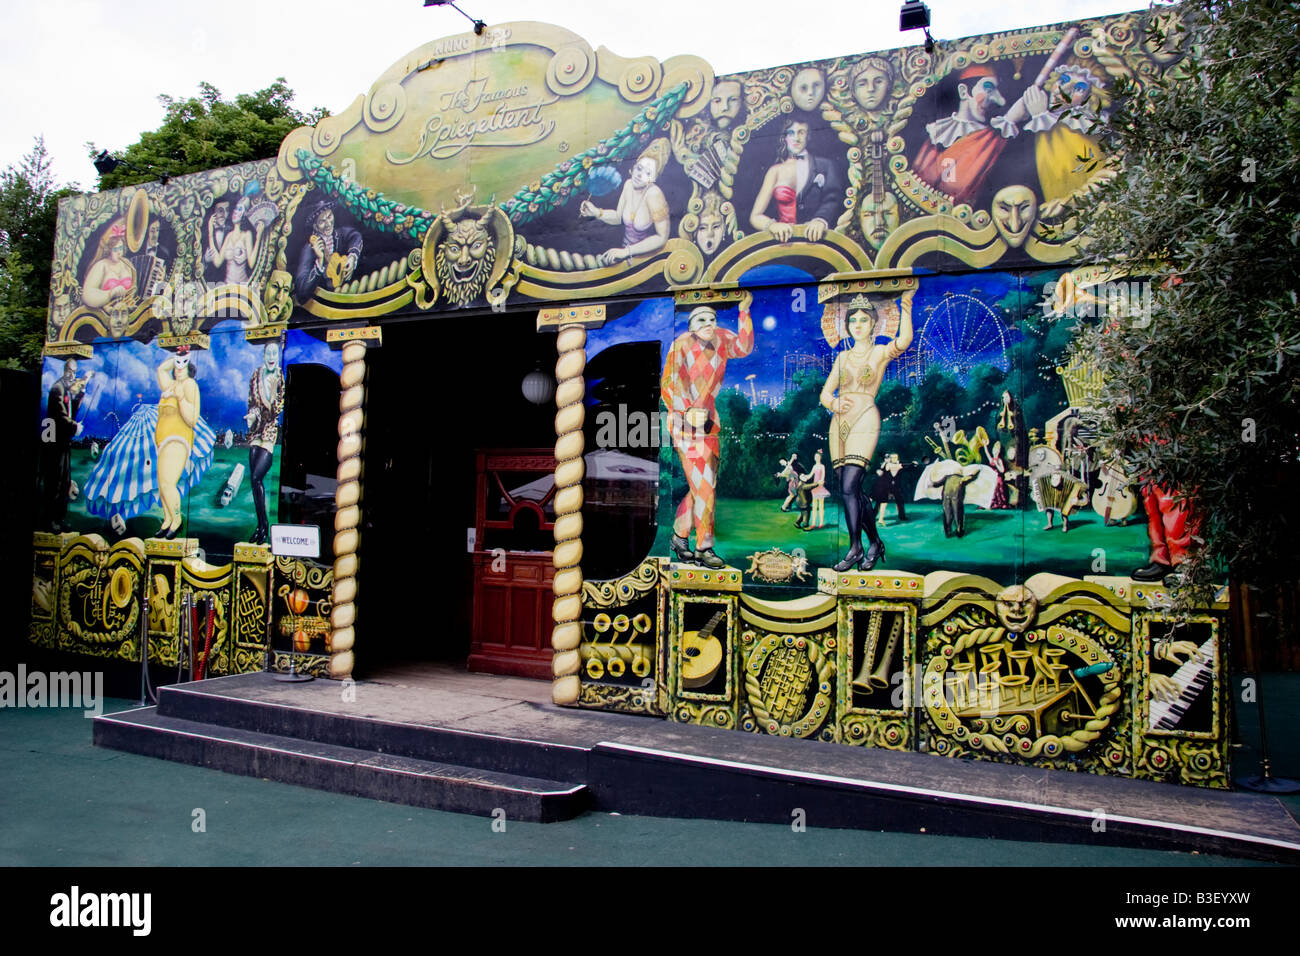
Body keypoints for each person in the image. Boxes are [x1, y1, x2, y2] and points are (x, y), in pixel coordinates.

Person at [819, 292, 914, 571]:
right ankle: (874, 542)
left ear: (874, 323)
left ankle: (855, 548)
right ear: (846, 325)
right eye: (853, 320)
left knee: (849, 486)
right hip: (839, 423)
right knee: (852, 490)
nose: (858, 324)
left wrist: (906, 305)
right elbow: (825, 393)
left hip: (865, 419)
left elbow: (905, 341)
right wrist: (833, 402)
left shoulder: (879, 353)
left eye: (864, 319)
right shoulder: (841, 357)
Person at [661, 293, 755, 568]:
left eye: (712, 319)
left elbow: (745, 347)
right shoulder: (680, 345)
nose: (709, 324)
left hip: (710, 423)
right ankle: (704, 547)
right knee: (703, 485)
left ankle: (679, 537)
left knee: (703, 486)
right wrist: (686, 409)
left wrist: (744, 312)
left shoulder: (723, 339)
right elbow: (668, 383)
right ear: (691, 325)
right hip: (685, 424)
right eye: (702, 320)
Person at [912, 64, 1045, 207]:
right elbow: (945, 183)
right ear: (964, 92)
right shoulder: (936, 134)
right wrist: (1009, 119)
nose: (999, 100)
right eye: (988, 89)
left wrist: (1011, 120)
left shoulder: (994, 138)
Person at [749, 118, 843, 243]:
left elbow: (833, 199)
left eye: (801, 132)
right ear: (785, 137)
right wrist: (772, 225)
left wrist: (820, 220)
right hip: (783, 243)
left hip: (818, 242)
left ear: (808, 136)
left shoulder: (825, 166)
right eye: (791, 133)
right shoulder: (775, 171)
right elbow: (755, 216)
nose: (796, 138)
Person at [580, 138, 672, 265]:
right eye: (639, 168)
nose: (640, 175)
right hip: (623, 256)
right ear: (633, 168)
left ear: (654, 178)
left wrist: (627, 251)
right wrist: (596, 212)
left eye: (648, 173)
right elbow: (618, 218)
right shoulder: (628, 185)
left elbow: (662, 238)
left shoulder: (654, 194)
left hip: (645, 260)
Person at [154, 349, 202, 538]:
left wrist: (181, 398)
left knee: (167, 483)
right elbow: (160, 370)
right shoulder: (171, 384)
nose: (178, 368)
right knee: (161, 484)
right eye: (176, 365)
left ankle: (176, 519)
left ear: (189, 367)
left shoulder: (190, 385)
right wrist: (176, 357)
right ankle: (167, 520)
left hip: (177, 439)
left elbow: (192, 419)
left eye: (183, 364)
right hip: (163, 441)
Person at [244, 341, 285, 544]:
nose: (271, 356)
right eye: (267, 352)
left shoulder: (280, 377)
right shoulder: (255, 375)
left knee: (256, 477)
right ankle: (260, 526)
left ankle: (264, 526)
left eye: (274, 353)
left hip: (269, 432)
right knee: (254, 481)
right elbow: (252, 402)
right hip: (255, 432)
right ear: (263, 355)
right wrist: (251, 415)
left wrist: (271, 391)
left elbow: (276, 410)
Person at [40, 359, 87, 532]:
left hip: (63, 442)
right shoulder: (57, 388)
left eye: (74, 372)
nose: (72, 375)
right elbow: (60, 416)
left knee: (65, 481)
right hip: (54, 443)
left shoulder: (66, 389)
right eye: (70, 371)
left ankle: (59, 518)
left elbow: (71, 411)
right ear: (64, 369)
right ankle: (50, 519)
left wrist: (81, 393)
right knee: (55, 482)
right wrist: (75, 427)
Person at [295, 201, 364, 303]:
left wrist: (352, 257)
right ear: (315, 226)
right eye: (322, 221)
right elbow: (301, 292)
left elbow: (355, 236)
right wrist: (319, 261)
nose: (328, 224)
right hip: (325, 302)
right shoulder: (309, 249)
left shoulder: (338, 234)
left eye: (329, 216)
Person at [209, 193, 266, 286]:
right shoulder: (229, 236)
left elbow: (251, 263)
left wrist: (258, 238)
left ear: (244, 214)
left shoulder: (246, 235)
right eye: (235, 209)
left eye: (239, 209)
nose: (235, 212)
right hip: (227, 285)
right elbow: (217, 262)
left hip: (242, 286)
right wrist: (210, 234)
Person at [795, 449, 830, 530]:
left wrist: (821, 482)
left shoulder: (822, 466)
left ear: (820, 457)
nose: (816, 458)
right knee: (814, 506)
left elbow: (823, 476)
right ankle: (813, 523)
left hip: (820, 486)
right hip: (814, 487)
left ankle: (821, 523)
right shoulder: (814, 466)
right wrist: (802, 477)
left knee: (821, 506)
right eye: (815, 456)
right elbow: (810, 475)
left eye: (818, 456)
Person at [873, 452, 912, 525]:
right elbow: (901, 466)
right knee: (881, 502)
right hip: (884, 486)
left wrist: (913, 464)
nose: (893, 459)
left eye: (895, 457)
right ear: (890, 458)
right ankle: (875, 517)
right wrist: (912, 464)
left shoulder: (893, 464)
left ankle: (901, 516)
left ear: (898, 458)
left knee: (898, 500)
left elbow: (903, 466)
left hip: (895, 486)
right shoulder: (888, 464)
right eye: (892, 457)